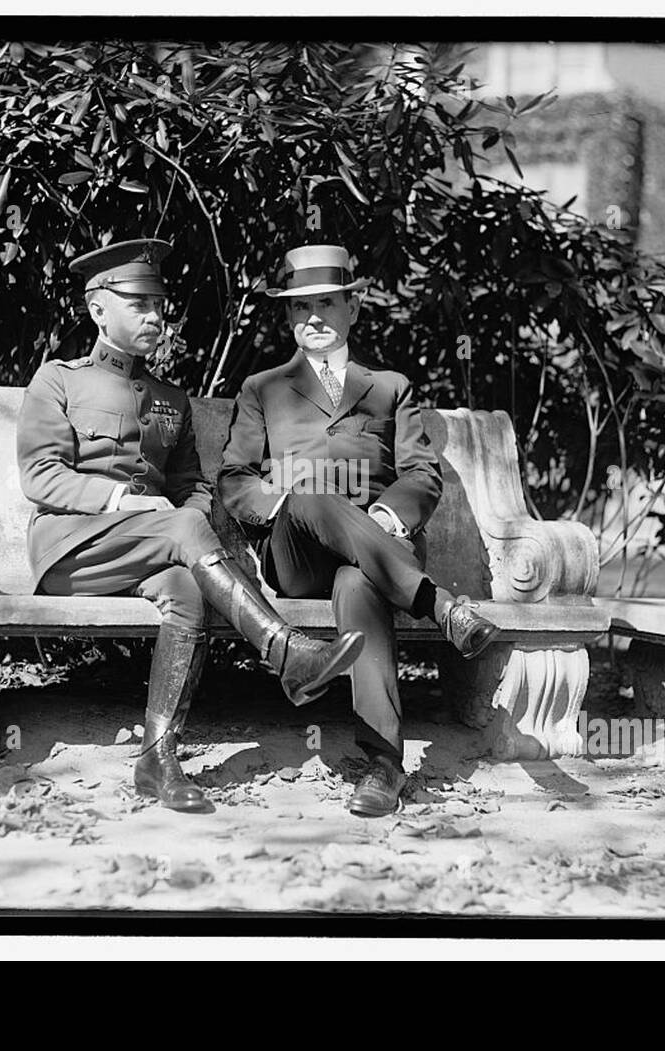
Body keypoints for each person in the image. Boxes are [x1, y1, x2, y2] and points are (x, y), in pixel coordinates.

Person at [16, 238, 364, 813]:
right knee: (180, 532)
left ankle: (157, 758)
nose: (156, 316)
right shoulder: (58, 380)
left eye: (159, 305)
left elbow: (189, 487)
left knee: (187, 594)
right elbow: (40, 476)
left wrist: (193, 517)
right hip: (71, 550)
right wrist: (122, 504)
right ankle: (286, 652)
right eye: (139, 305)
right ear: (98, 308)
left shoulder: (168, 397)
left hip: (157, 550)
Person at [218, 244, 500, 818]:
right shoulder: (262, 388)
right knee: (310, 493)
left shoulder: (390, 386)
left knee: (357, 583)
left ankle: (382, 767)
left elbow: (421, 473)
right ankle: (440, 605)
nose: (313, 318)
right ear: (288, 318)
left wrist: (387, 518)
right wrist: (277, 507)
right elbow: (234, 478)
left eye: (326, 303)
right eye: (300, 309)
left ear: (353, 307)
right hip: (295, 546)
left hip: (378, 547)